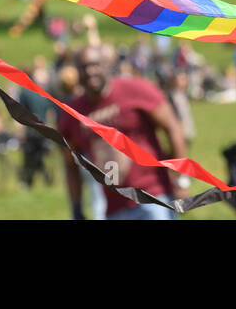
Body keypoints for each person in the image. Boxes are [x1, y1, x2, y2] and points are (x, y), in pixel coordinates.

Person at [59, 45, 188, 220]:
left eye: (95, 65)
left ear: (106, 65)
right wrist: (76, 207)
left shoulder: (135, 90)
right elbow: (70, 164)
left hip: (153, 196)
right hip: (114, 207)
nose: (90, 72)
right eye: (83, 67)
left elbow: (173, 127)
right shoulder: (73, 114)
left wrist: (180, 180)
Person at [17, 56, 55, 188]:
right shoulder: (43, 90)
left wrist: (20, 132)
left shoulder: (24, 92)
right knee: (38, 156)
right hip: (44, 127)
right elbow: (50, 111)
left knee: (29, 156)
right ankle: (47, 179)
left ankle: (28, 183)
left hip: (32, 129)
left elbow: (20, 114)